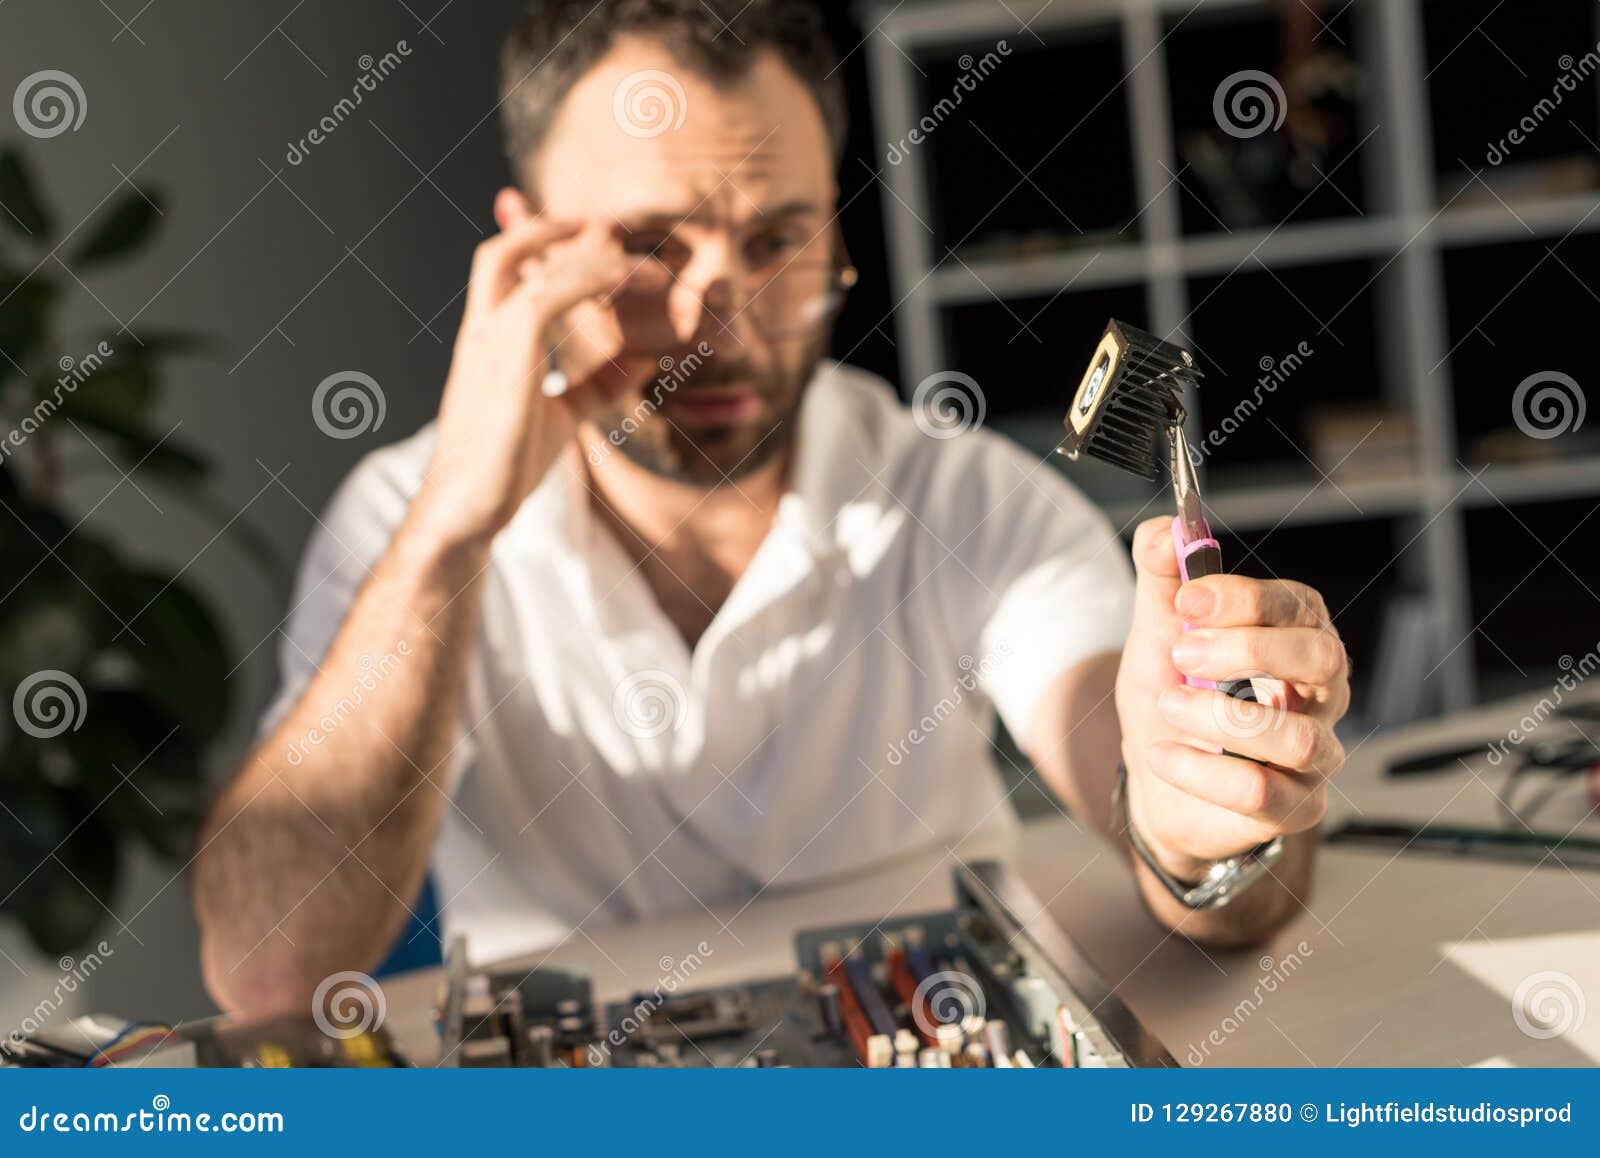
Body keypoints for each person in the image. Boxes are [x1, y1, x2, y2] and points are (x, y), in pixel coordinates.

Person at [193, 0, 1349, 1014]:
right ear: (524, 252)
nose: (724, 320)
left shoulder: (968, 501)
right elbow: (270, 974)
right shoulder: (405, 517)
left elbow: (1129, 754)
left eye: (776, 238)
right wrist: (454, 529)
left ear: (834, 238)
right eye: (650, 244)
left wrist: (1209, 821)